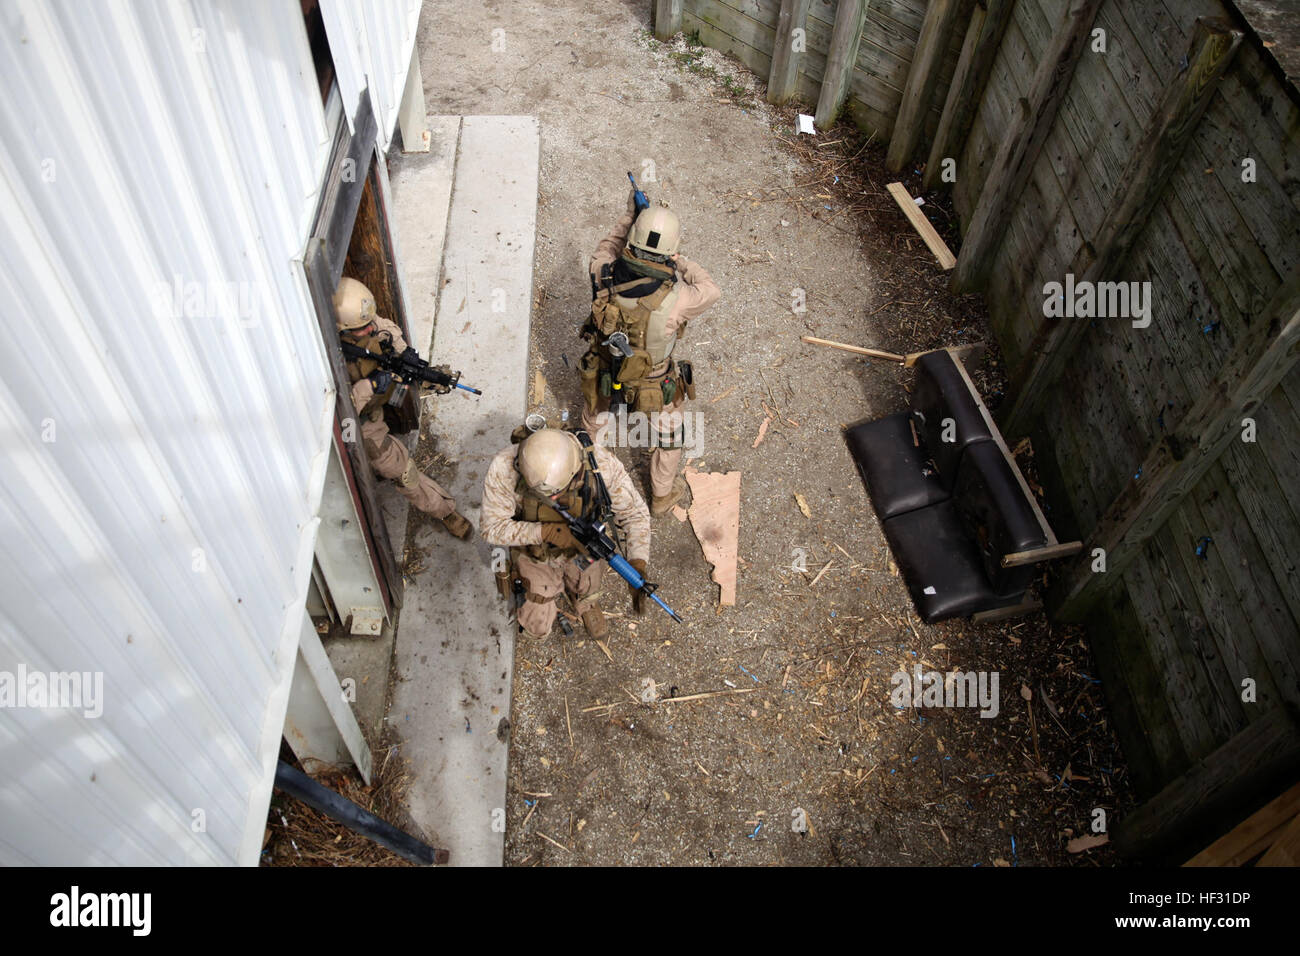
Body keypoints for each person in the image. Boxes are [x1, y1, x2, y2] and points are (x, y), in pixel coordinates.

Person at [580, 192, 720, 515]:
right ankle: (660, 496)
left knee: (592, 420)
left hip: (605, 371)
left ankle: (590, 479)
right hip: (654, 382)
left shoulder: (601, 273)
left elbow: (607, 246)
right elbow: (711, 289)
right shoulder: (680, 298)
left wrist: (631, 217)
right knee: (670, 434)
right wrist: (680, 260)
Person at [333, 277, 473, 540]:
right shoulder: (326, 355)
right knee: (398, 471)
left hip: (377, 404)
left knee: (401, 453)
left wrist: (404, 352)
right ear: (340, 328)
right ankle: (443, 511)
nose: (370, 329)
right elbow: (336, 409)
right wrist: (368, 386)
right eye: (362, 328)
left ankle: (443, 509)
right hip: (357, 422)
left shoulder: (361, 323)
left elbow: (383, 326)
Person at [480, 426, 650, 640]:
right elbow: (491, 528)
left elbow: (634, 514)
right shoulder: (505, 467)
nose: (554, 500)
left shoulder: (601, 466)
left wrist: (637, 564)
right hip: (535, 552)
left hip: (583, 545)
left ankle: (585, 604)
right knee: (537, 618)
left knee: (587, 584)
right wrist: (543, 532)